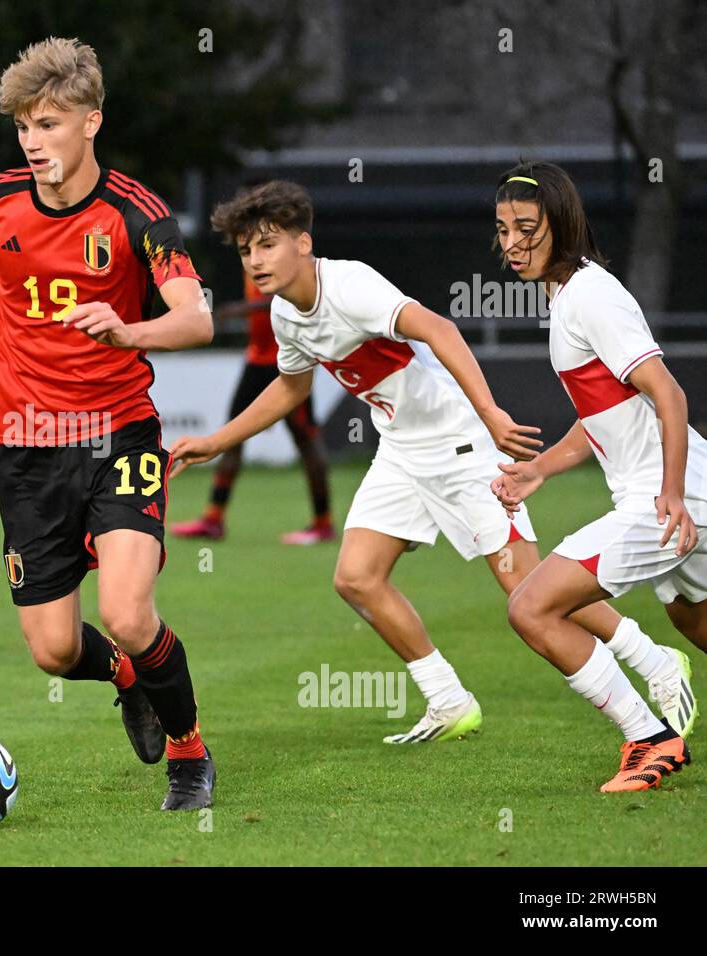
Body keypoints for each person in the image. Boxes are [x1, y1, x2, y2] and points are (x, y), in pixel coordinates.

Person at [169, 180, 692, 748]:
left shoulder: (349, 285)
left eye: (266, 245)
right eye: (246, 251)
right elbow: (291, 390)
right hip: (400, 450)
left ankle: (656, 662)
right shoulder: (285, 316)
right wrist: (218, 441)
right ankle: (448, 699)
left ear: (303, 243)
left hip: (460, 441)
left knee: (527, 587)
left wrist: (489, 413)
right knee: (356, 577)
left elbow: (439, 328)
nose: (254, 260)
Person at [0, 37, 215, 810]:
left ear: (91, 122)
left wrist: (130, 330)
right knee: (55, 651)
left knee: (128, 612)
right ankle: (125, 678)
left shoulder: (138, 213)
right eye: (25, 127)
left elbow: (195, 319)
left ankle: (189, 756)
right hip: (29, 450)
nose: (35, 143)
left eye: (51, 124)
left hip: (118, 438)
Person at [491, 161, 701, 792]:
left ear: (563, 225)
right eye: (502, 229)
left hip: (664, 497)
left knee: (531, 607)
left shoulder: (591, 295)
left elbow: (668, 394)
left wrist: (669, 494)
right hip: (682, 491)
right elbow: (603, 416)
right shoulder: (567, 295)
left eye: (526, 227)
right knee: (694, 623)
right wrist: (541, 470)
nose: (511, 243)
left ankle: (651, 741)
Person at [170, 272, 335, 544]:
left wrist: (242, 309)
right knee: (232, 437)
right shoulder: (253, 252)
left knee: (306, 439)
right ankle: (213, 519)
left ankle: (323, 523)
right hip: (256, 359)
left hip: (287, 360)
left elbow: (290, 295)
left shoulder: (278, 243)